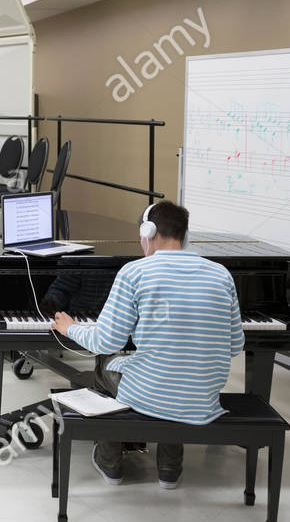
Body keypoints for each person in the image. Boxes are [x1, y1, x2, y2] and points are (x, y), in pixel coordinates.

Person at [50, 201, 244, 489]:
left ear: (148, 231)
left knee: (105, 364)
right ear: (184, 235)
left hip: (151, 393)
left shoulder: (135, 272)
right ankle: (169, 469)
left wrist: (71, 328)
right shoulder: (221, 274)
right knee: (178, 369)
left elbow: (106, 340)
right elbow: (235, 345)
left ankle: (110, 462)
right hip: (202, 397)